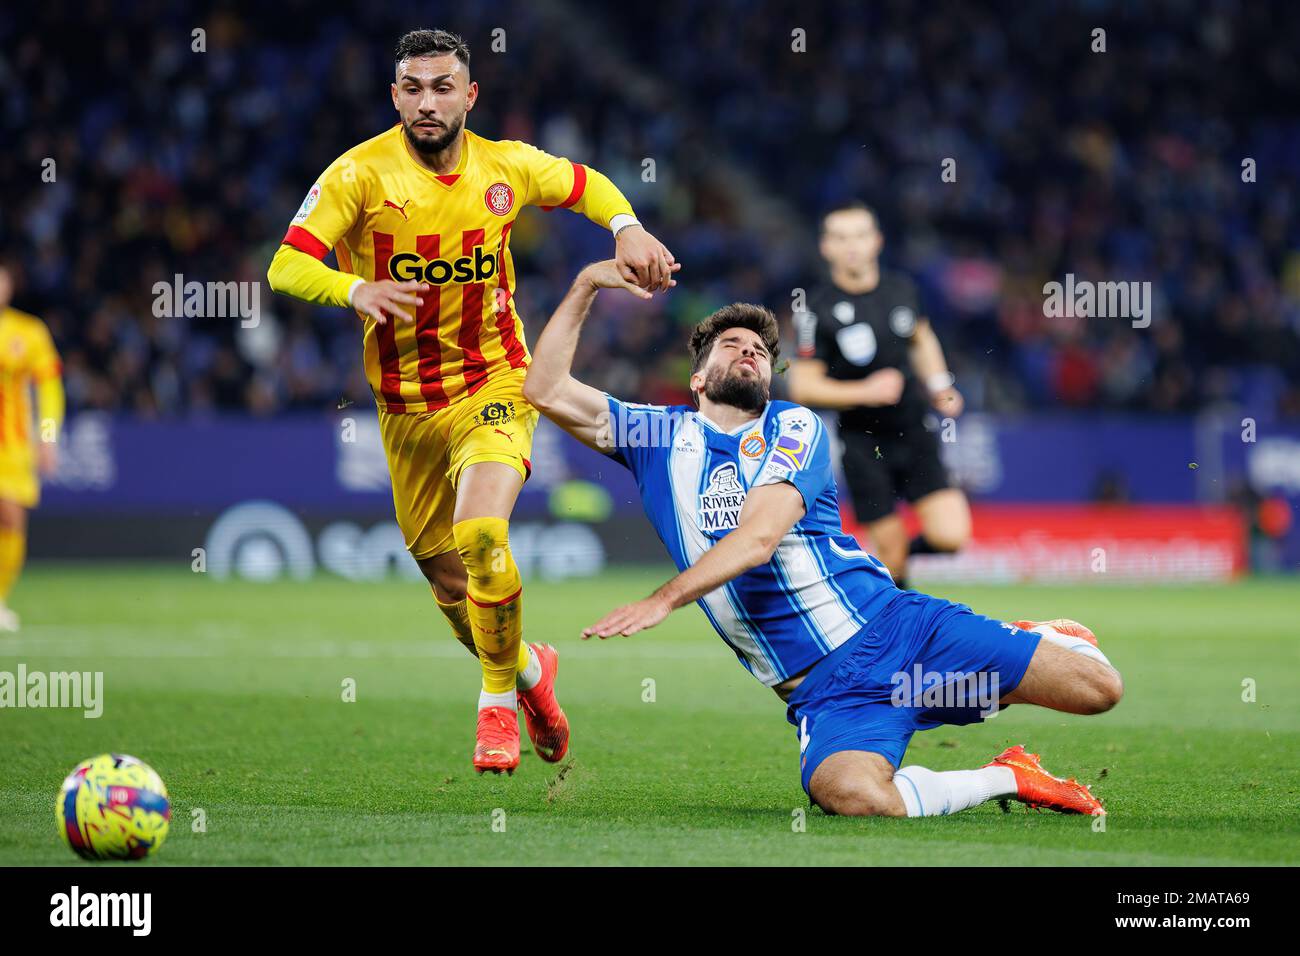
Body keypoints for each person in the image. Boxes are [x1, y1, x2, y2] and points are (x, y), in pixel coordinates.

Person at [522, 259, 1122, 817]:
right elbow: (544, 389)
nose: (750, 353)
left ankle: (1034, 637)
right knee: (853, 796)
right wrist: (585, 286)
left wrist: (663, 599)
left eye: (759, 349)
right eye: (732, 346)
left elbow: (759, 538)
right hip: (827, 692)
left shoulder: (794, 425)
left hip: (896, 630)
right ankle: (1009, 776)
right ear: (698, 376)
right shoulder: (652, 438)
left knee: (1099, 690)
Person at [267, 29, 676, 774]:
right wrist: (354, 286)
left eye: (443, 87)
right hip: (404, 409)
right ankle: (529, 675)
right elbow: (287, 265)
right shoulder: (359, 174)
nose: (427, 102)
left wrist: (629, 226)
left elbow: (584, 183)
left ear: (469, 95)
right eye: (413, 89)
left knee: (482, 534)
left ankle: (494, 708)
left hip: (495, 382)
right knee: (453, 583)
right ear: (395, 96)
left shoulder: (506, 165)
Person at [789, 202, 969, 588]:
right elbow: (803, 386)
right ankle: (899, 623)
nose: (851, 245)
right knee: (893, 562)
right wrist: (865, 391)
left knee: (950, 536)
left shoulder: (902, 289)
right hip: (862, 440)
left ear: (877, 242)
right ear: (826, 247)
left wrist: (940, 385)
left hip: (913, 428)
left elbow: (920, 338)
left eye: (859, 235)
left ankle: (896, 556)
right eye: (840, 237)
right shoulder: (814, 311)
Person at [0, 264, 64, 632]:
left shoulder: (28, 332)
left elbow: (49, 389)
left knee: (10, 518)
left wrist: (48, 436)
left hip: (11, 448)